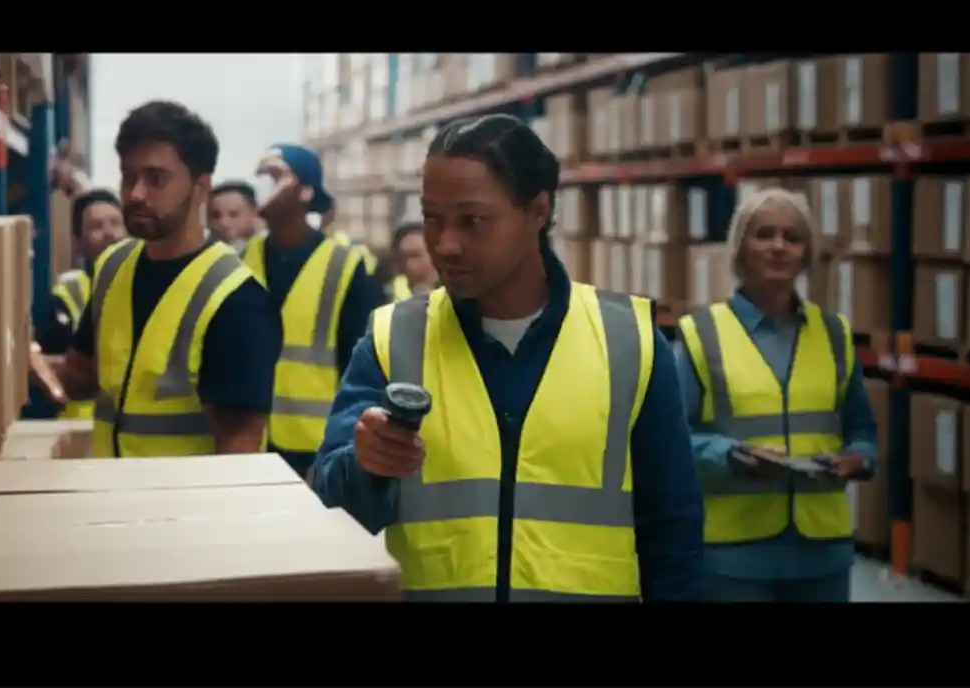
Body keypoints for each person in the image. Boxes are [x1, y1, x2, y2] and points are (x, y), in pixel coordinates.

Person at [310, 113, 704, 602]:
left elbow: (672, 532)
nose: (445, 244)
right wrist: (365, 464)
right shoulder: (394, 337)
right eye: (432, 219)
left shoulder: (631, 342)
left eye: (472, 221)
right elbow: (331, 503)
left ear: (537, 211)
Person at [675, 187, 878, 603]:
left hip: (822, 555)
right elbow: (672, 441)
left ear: (807, 254)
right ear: (740, 249)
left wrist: (858, 459)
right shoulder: (701, 335)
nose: (779, 247)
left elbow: (863, 430)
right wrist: (729, 454)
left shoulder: (835, 334)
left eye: (793, 237)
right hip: (734, 558)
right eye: (764, 234)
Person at [47, 100, 283, 458]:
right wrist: (18, 360)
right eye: (129, 175)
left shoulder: (237, 299)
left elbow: (239, 450)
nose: (136, 193)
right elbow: (83, 377)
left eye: (156, 178)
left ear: (201, 187)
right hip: (110, 500)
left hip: (183, 510)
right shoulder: (113, 268)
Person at [241, 143, 387, 478]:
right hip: (251, 438)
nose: (264, 186)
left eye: (276, 177)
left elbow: (366, 364)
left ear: (305, 192)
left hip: (316, 447)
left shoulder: (345, 268)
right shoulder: (242, 258)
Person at [37, 188, 128, 418]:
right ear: (78, 240)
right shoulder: (67, 293)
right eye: (97, 226)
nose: (109, 233)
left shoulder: (149, 284)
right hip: (79, 427)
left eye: (115, 223)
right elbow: (53, 364)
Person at [387, 221, 438, 301]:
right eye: (402, 257)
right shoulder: (387, 291)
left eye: (414, 256)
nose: (408, 263)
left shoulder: (455, 292)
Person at [208, 180, 263, 251]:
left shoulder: (273, 248)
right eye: (216, 216)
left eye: (234, 215)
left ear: (255, 214)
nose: (223, 223)